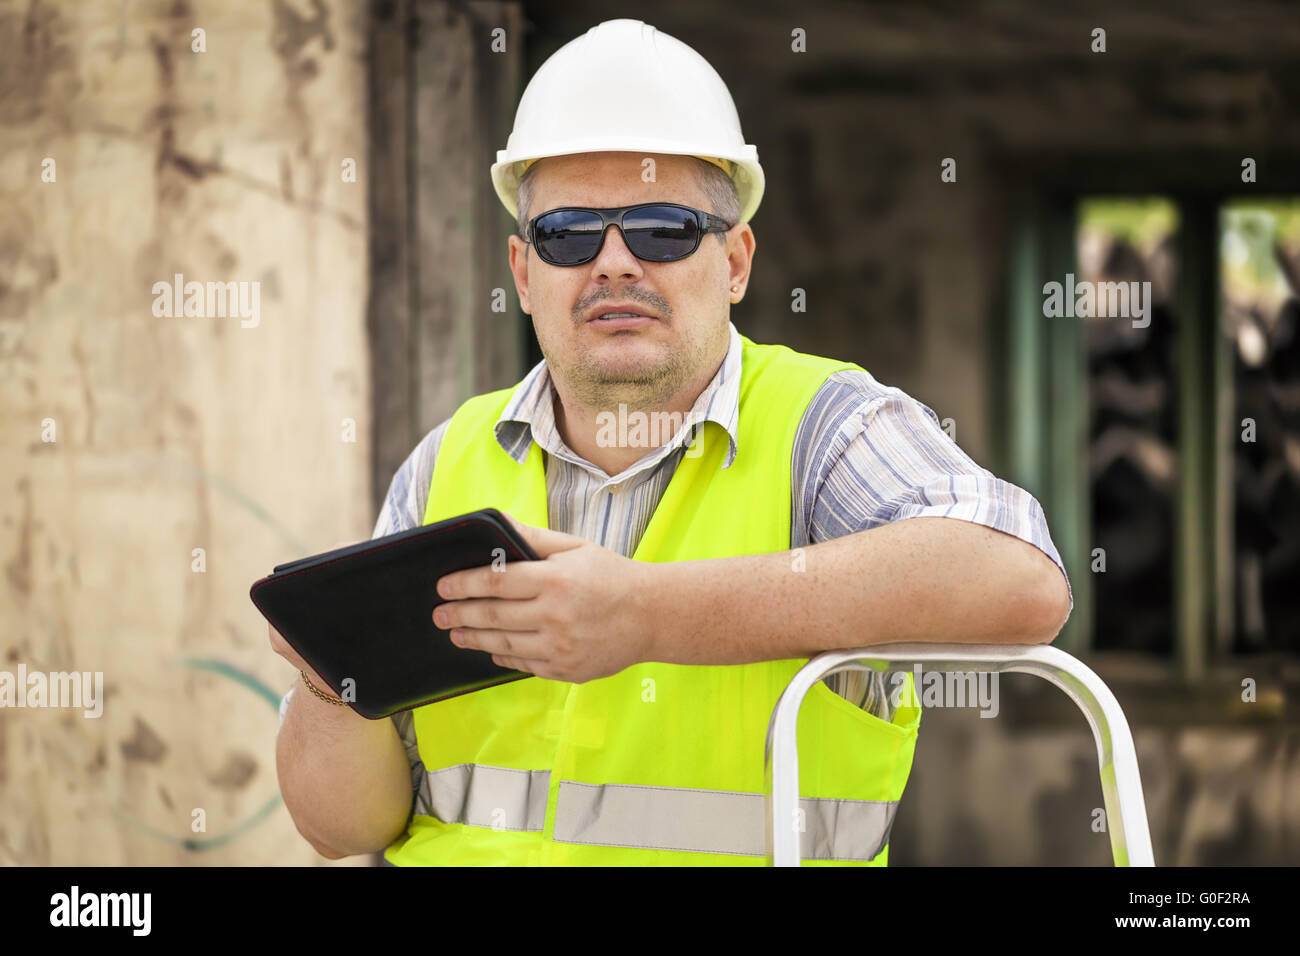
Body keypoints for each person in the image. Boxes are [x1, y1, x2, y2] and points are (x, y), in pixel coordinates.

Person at [273, 18, 1072, 866]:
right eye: (569, 234)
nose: (614, 263)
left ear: (735, 262)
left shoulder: (825, 429)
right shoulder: (447, 462)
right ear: (522, 272)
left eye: (661, 229)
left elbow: (1022, 581)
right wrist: (331, 680)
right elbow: (342, 830)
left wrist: (645, 615)